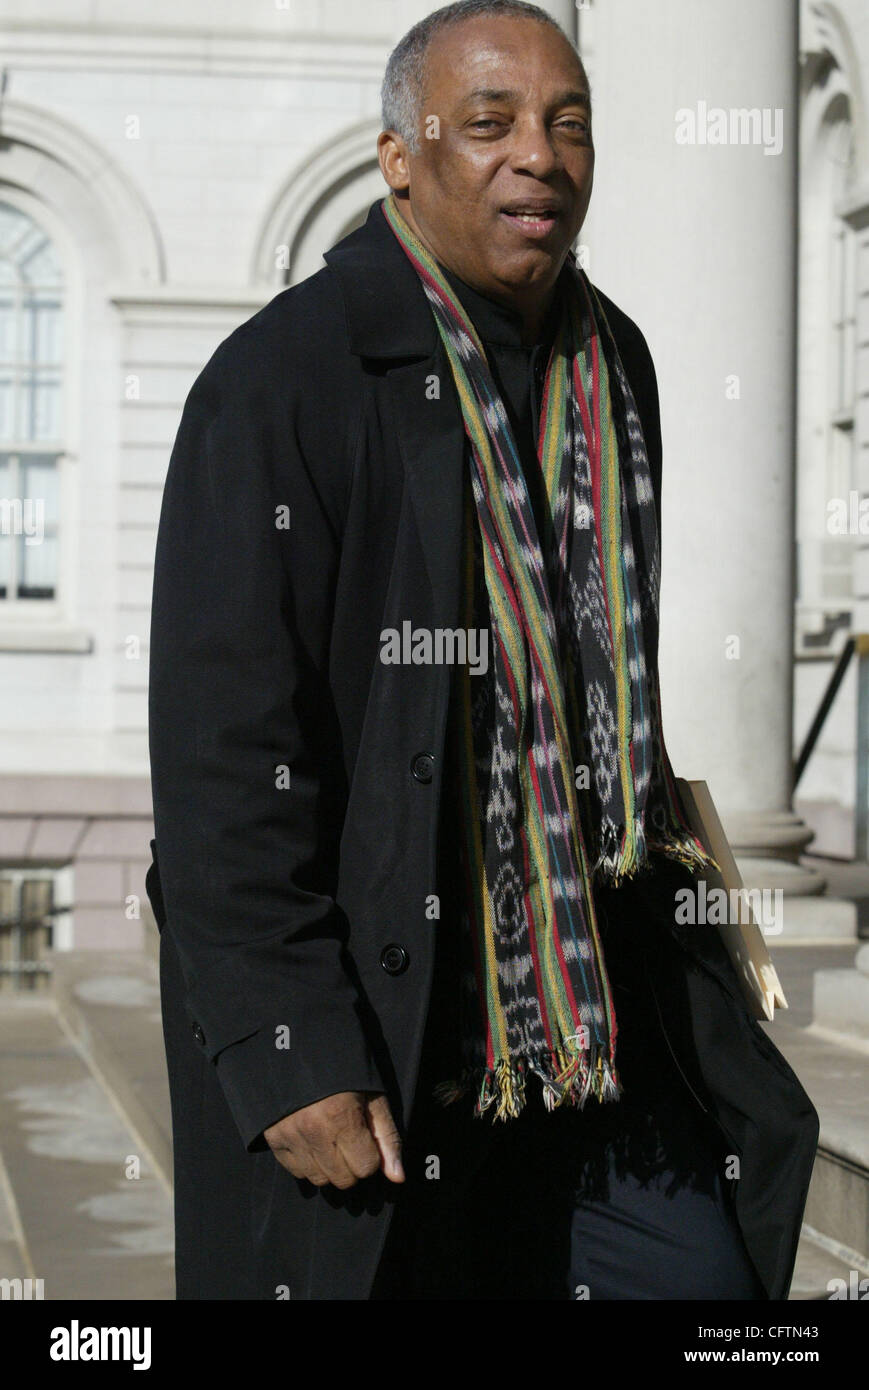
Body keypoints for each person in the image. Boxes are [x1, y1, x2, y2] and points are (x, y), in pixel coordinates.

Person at [146, 0, 819, 1301]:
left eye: (570, 125)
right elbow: (226, 751)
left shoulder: (610, 363)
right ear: (400, 155)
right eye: (491, 122)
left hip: (594, 1017)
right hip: (381, 1011)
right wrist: (284, 1047)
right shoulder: (287, 377)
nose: (541, 156)